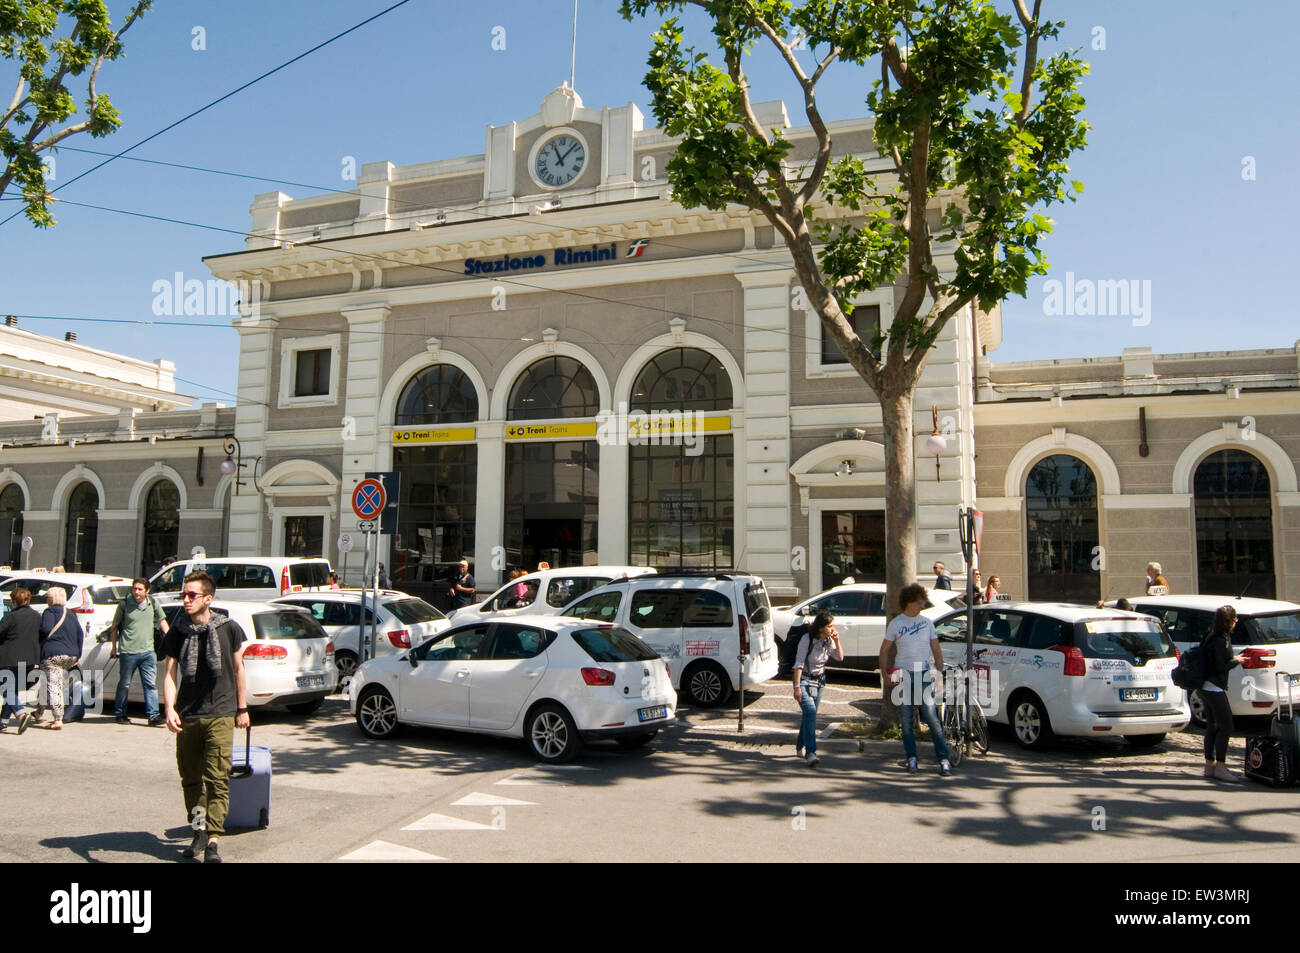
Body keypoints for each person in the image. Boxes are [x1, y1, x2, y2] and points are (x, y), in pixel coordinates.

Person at [162, 571, 249, 863]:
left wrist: (242, 708)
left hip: (221, 713)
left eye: (192, 595)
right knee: (190, 778)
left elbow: (238, 669)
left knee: (217, 778)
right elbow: (170, 672)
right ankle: (198, 827)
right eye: (183, 595)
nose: (185, 600)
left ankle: (213, 840)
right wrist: (169, 708)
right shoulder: (178, 630)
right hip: (187, 714)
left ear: (208, 599)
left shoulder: (228, 628)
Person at [879, 582, 953, 777]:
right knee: (906, 718)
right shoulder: (896, 623)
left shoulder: (927, 623)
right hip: (904, 674)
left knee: (931, 716)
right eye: (920, 600)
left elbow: (936, 650)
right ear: (910, 602)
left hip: (924, 674)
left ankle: (943, 758)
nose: (923, 604)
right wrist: (884, 673)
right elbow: (884, 650)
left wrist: (939, 674)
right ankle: (911, 757)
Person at [106, 578, 170, 727]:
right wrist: (113, 647)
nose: (136, 592)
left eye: (140, 589)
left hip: (148, 651)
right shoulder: (124, 604)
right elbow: (114, 627)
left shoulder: (152, 603)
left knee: (150, 685)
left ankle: (153, 716)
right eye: (134, 588)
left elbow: (162, 622)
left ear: (147, 591)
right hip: (128, 651)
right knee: (125, 684)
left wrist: (170, 638)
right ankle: (120, 713)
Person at [1200, 605, 1247, 783]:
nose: (1236, 623)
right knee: (1226, 726)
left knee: (1212, 726)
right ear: (1229, 621)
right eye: (1235, 619)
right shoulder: (1220, 639)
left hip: (1204, 686)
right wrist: (1236, 661)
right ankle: (1220, 767)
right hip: (1214, 687)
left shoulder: (1211, 634)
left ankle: (1209, 766)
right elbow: (1220, 667)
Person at [792, 611, 843, 767]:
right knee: (811, 712)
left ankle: (800, 745)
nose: (832, 629)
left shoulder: (828, 641)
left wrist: (837, 640)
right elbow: (799, 664)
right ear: (821, 628)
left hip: (819, 682)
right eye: (830, 626)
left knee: (809, 715)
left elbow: (840, 657)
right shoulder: (806, 640)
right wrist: (796, 688)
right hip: (804, 681)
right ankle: (811, 752)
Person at [30, 587, 84, 730]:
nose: (46, 599)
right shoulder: (71, 613)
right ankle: (39, 713)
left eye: (47, 596)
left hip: (53, 655)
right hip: (71, 655)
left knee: (53, 686)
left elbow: (45, 629)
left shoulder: (49, 612)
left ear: (52, 599)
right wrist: (78, 653)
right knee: (47, 682)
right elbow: (80, 634)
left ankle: (58, 718)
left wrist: (38, 640)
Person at [0, 587, 40, 734]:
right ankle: (2, 721)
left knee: (6, 689)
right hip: (30, 660)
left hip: (9, 659)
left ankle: (21, 715)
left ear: (14, 601)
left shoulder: (10, 617)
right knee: (13, 690)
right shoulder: (36, 616)